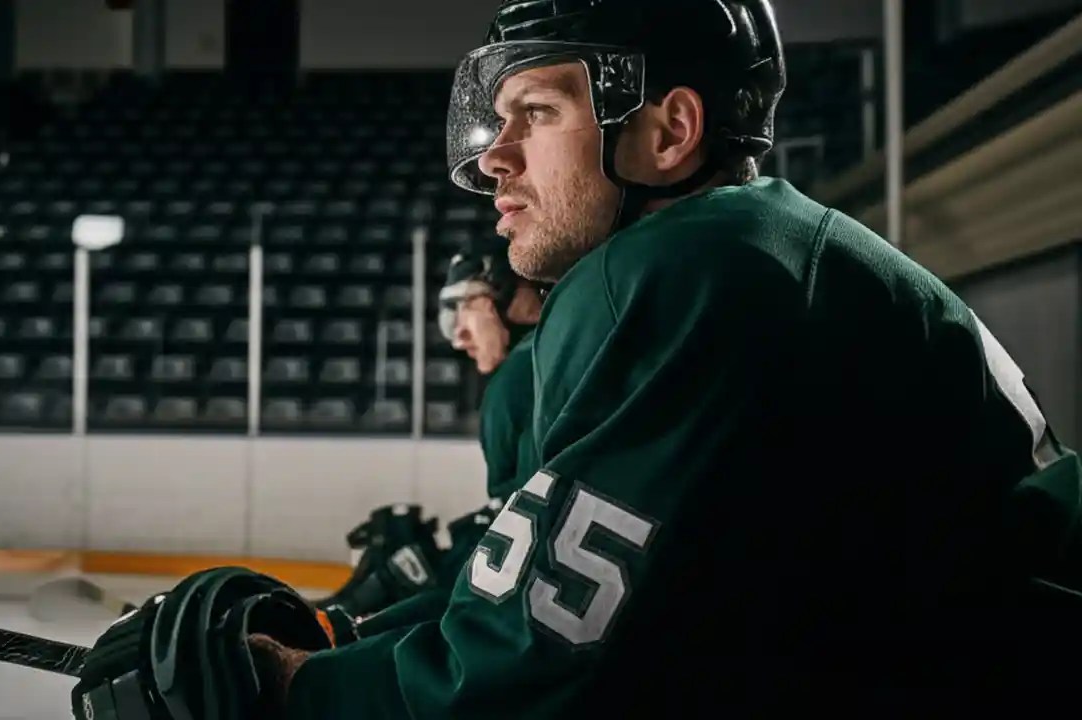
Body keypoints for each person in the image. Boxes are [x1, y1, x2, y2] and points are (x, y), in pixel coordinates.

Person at [74, 1, 1081, 717]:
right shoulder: (747, 250)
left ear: (667, 131)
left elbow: (536, 670)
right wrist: (349, 641)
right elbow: (583, 600)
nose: (493, 158)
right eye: (496, 117)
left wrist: (293, 690)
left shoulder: (687, 267)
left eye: (537, 113)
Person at [314, 238, 543, 638]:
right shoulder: (553, 356)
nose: (459, 337)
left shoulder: (519, 377)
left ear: (515, 297)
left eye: (467, 307)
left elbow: (524, 531)